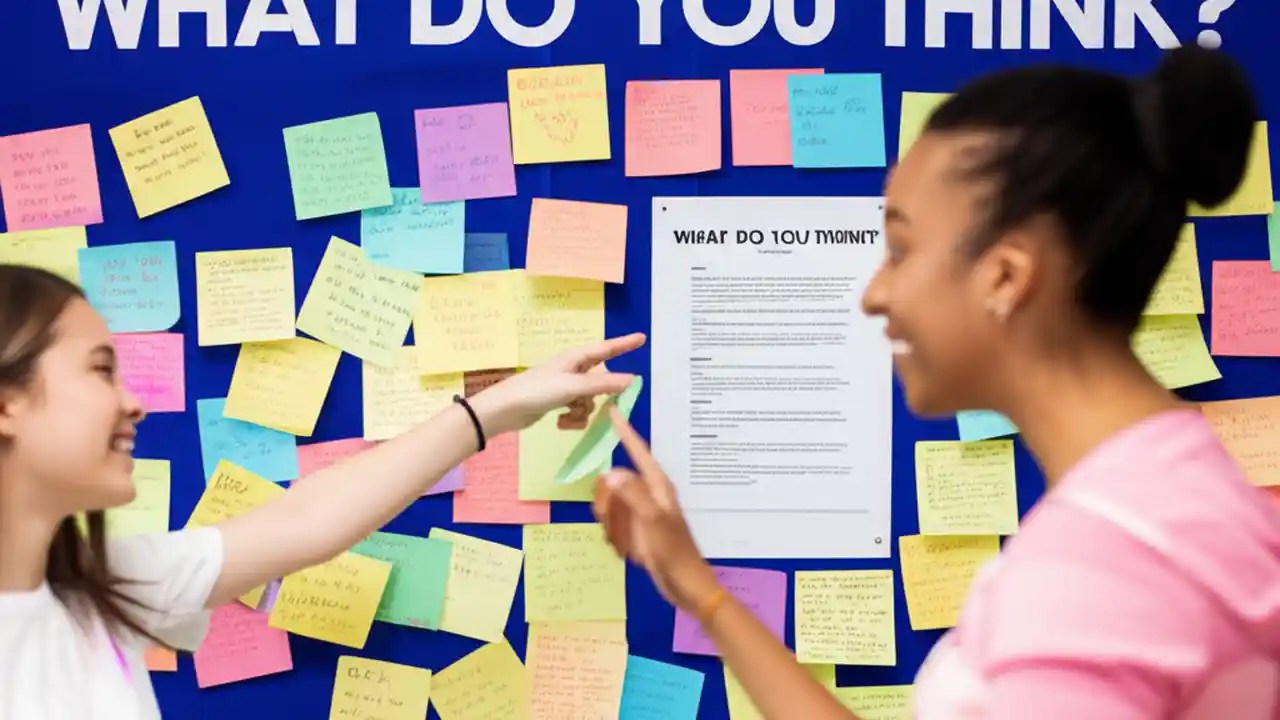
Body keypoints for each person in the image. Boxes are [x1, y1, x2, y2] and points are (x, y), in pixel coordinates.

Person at [594, 45, 1280, 719]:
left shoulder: (1094, 575)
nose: (873, 295)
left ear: (1006, 277)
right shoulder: (1187, 497)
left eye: (900, 249)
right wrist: (702, 592)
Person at [0, 263, 644, 718]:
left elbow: (309, 521)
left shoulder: (97, 590)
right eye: (100, 372)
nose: (132, 403)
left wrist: (499, 408)